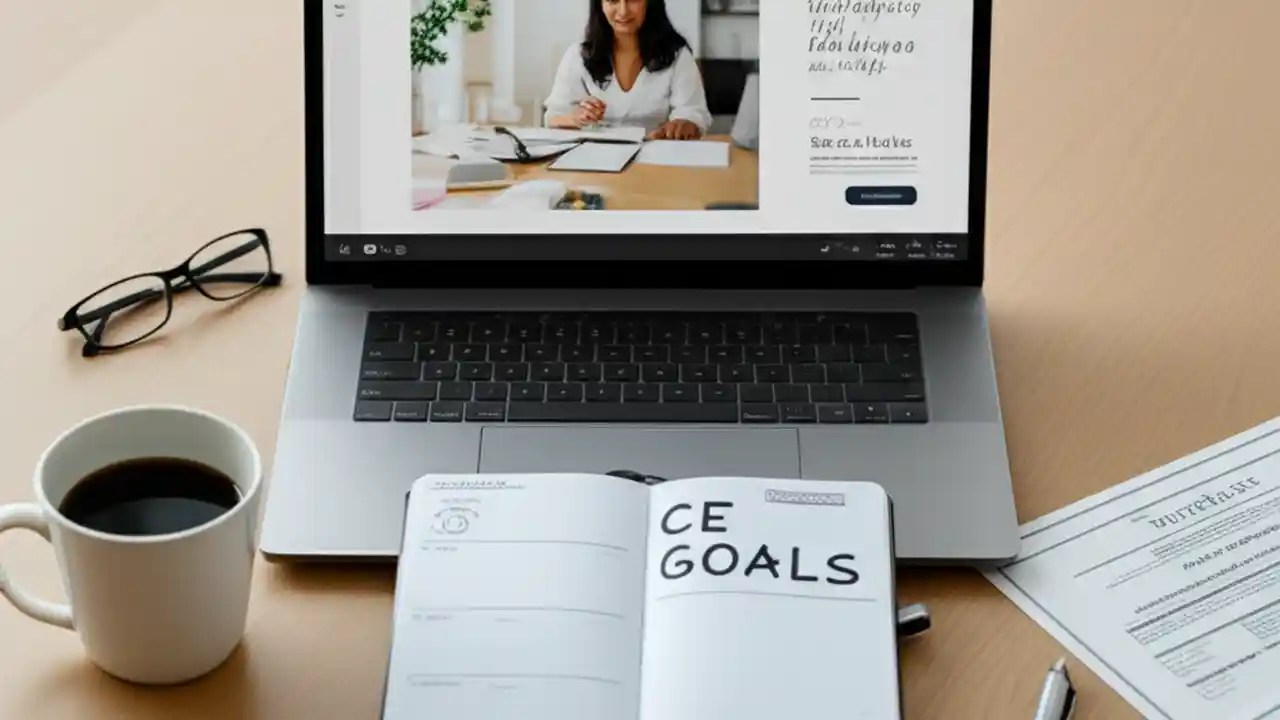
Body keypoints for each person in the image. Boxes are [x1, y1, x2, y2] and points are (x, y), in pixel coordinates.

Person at [545, 0, 712, 140]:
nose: (623, 11)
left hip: (657, 162)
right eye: (612, 0)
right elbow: (552, 118)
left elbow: (694, 112)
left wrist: (684, 124)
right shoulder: (578, 56)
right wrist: (575, 117)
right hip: (595, 163)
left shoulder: (677, 55)